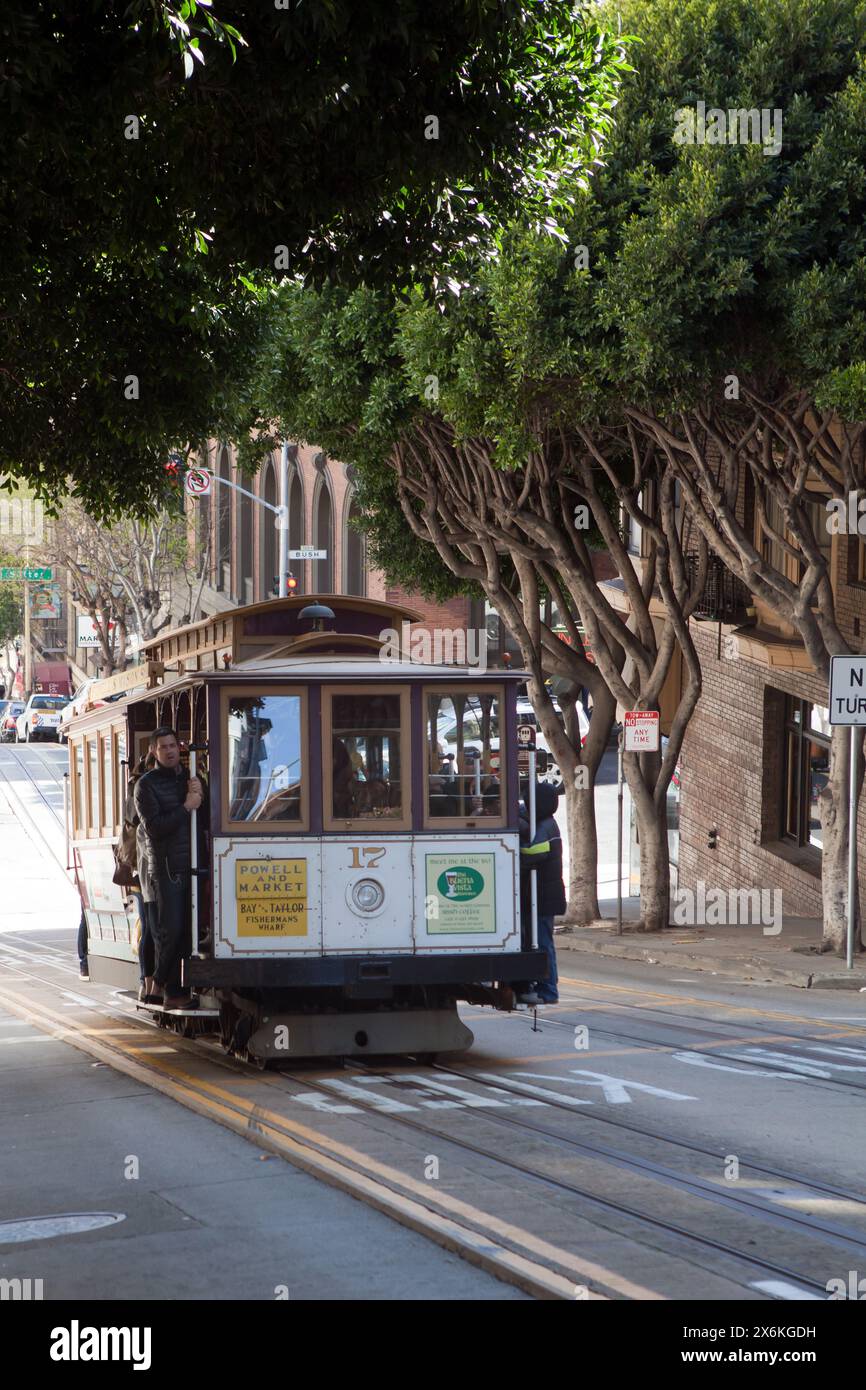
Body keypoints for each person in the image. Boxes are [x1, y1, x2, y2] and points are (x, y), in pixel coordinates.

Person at [134, 728, 204, 1010]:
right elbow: (154, 828)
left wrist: (200, 794)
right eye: (163, 747)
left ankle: (174, 992)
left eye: (173, 745)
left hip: (194, 866)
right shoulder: (145, 786)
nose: (170, 751)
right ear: (154, 751)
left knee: (188, 932)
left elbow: (206, 816)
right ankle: (160, 982)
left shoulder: (189, 779)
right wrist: (187, 806)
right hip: (166, 868)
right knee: (171, 930)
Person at [519, 782, 565, 1004]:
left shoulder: (546, 828)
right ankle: (541, 984)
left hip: (544, 898)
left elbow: (531, 853)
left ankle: (548, 990)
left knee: (543, 942)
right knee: (540, 940)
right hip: (541, 896)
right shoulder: (545, 823)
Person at [124, 753, 158, 1002]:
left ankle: (149, 981)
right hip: (141, 868)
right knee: (148, 925)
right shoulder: (140, 788)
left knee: (152, 926)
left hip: (149, 867)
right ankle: (145, 981)